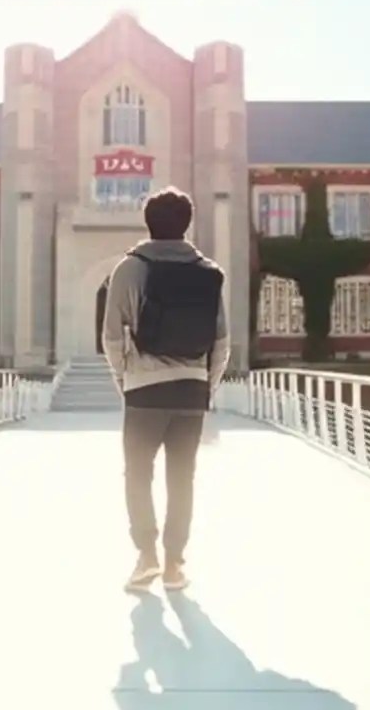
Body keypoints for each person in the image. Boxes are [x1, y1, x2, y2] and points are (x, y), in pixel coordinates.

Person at [101, 186, 230, 593]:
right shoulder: (207, 271)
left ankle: (146, 557)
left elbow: (111, 337)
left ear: (148, 222)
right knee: (182, 478)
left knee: (138, 475)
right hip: (191, 391)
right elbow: (222, 342)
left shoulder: (130, 268)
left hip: (144, 389)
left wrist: (126, 381)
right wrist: (204, 384)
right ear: (187, 223)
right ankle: (175, 564)